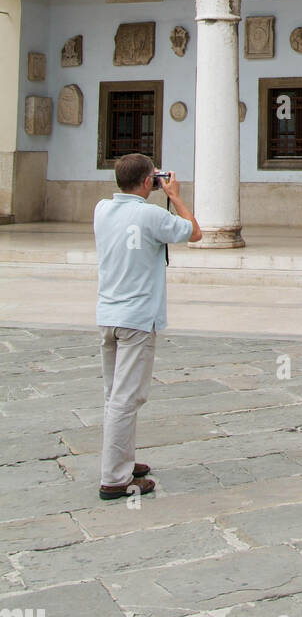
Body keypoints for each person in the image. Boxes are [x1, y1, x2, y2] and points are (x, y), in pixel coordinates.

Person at [95, 153, 201, 501]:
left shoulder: (101, 210)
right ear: (147, 182)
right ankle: (114, 478)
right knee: (127, 398)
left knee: (115, 395)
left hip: (108, 316)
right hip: (137, 320)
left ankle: (122, 460)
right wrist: (174, 196)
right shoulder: (152, 215)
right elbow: (195, 232)